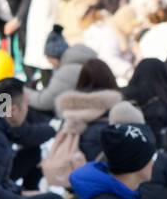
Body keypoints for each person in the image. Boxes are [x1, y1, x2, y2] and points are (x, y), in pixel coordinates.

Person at [42, 57, 122, 185]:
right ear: (111, 81)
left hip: (76, 182)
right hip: (107, 187)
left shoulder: (69, 114)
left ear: (80, 81)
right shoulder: (116, 119)